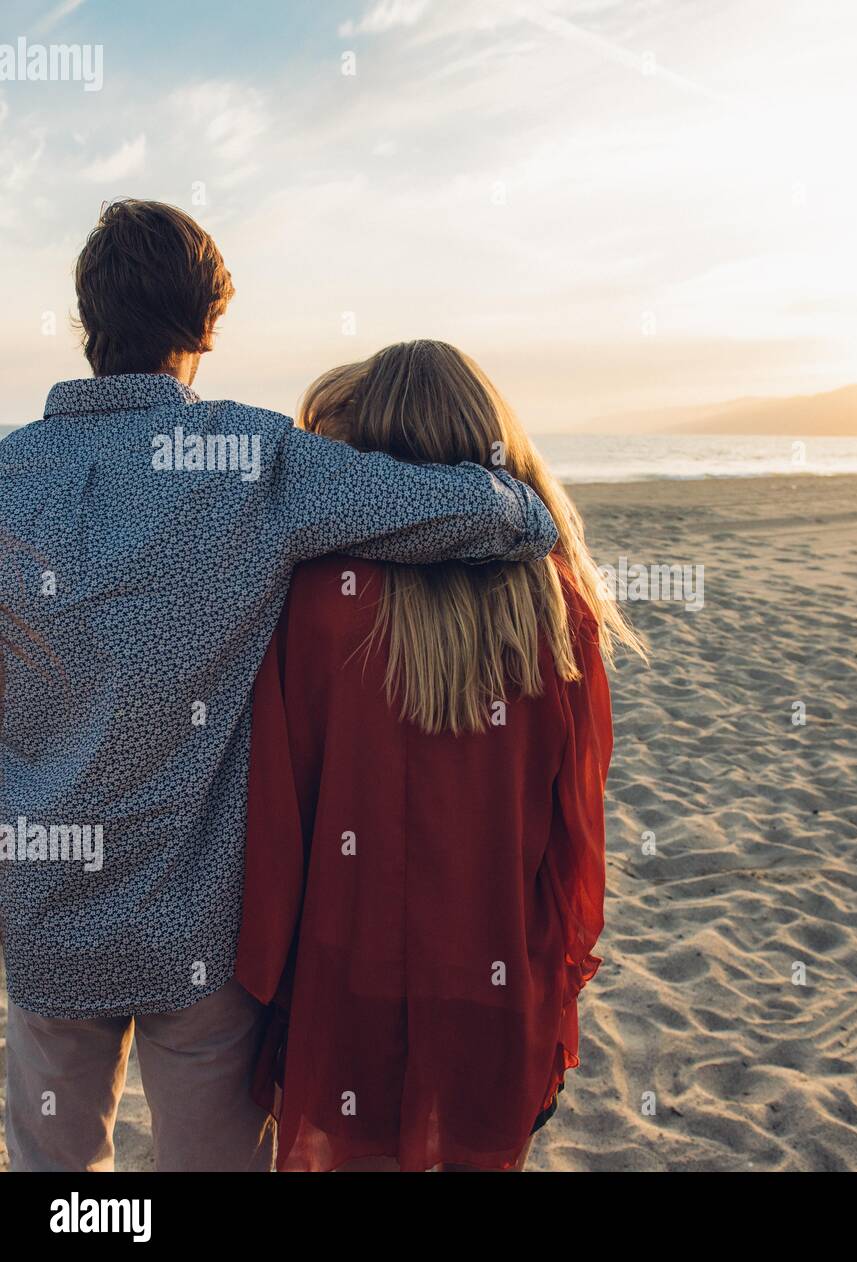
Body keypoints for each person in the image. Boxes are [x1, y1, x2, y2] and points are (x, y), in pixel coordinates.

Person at [0, 201, 558, 1173]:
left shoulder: (9, 475)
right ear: (208, 326)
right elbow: (470, 510)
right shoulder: (250, 461)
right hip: (196, 932)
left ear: (87, 320)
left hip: (45, 910)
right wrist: (522, 503)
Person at [234, 340, 643, 1171]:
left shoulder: (321, 603)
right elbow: (575, 837)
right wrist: (555, 989)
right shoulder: (560, 609)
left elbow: (278, 819)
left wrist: (264, 995)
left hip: (345, 978)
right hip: (496, 973)